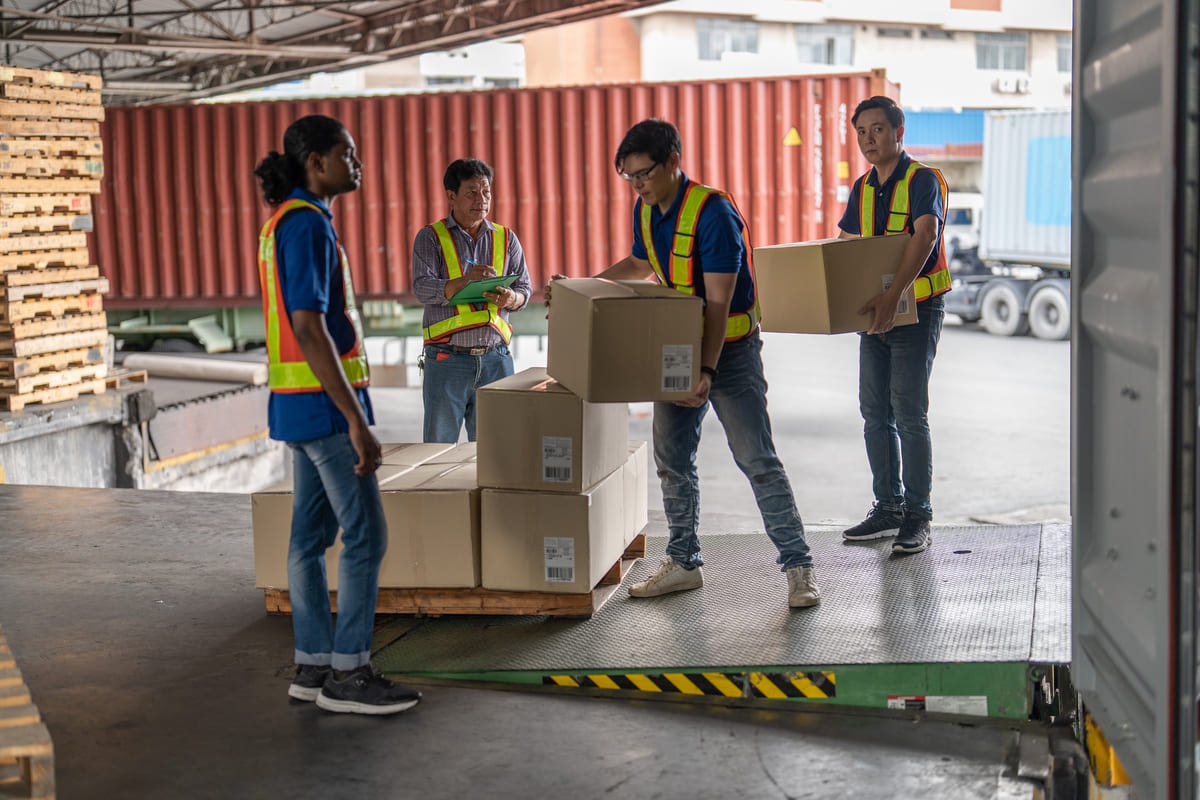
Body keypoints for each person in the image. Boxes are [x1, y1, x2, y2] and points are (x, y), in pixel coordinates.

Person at [550, 118, 820, 609]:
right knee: (672, 459)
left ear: (674, 160)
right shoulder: (646, 209)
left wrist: (707, 372)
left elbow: (717, 304)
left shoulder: (713, 213)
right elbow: (640, 264)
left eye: (644, 173)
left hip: (730, 354)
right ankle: (684, 562)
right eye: (629, 176)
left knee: (756, 460)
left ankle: (798, 567)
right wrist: (582, 288)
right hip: (677, 348)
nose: (637, 184)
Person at [254, 114, 421, 715]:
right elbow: (308, 325)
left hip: (295, 408)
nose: (358, 164)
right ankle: (349, 672)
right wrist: (355, 419)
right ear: (316, 162)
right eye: (348, 154)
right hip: (324, 412)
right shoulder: (306, 227)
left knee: (309, 538)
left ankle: (313, 666)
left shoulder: (283, 224)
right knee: (367, 535)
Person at [837, 96, 950, 555]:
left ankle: (918, 515)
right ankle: (888, 507)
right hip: (875, 317)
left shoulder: (925, 180)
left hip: (916, 311)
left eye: (878, 129)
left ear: (898, 131)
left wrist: (894, 296)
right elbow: (844, 246)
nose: (869, 140)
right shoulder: (862, 189)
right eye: (862, 132)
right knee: (874, 413)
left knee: (908, 412)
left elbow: (924, 236)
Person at [411, 158, 532, 443]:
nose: (482, 200)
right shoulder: (431, 238)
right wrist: (464, 280)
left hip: (496, 361)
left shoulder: (506, 238)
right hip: (446, 361)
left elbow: (525, 290)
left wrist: (511, 298)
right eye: (472, 192)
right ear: (451, 196)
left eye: (486, 192)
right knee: (437, 454)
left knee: (497, 452)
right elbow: (422, 288)